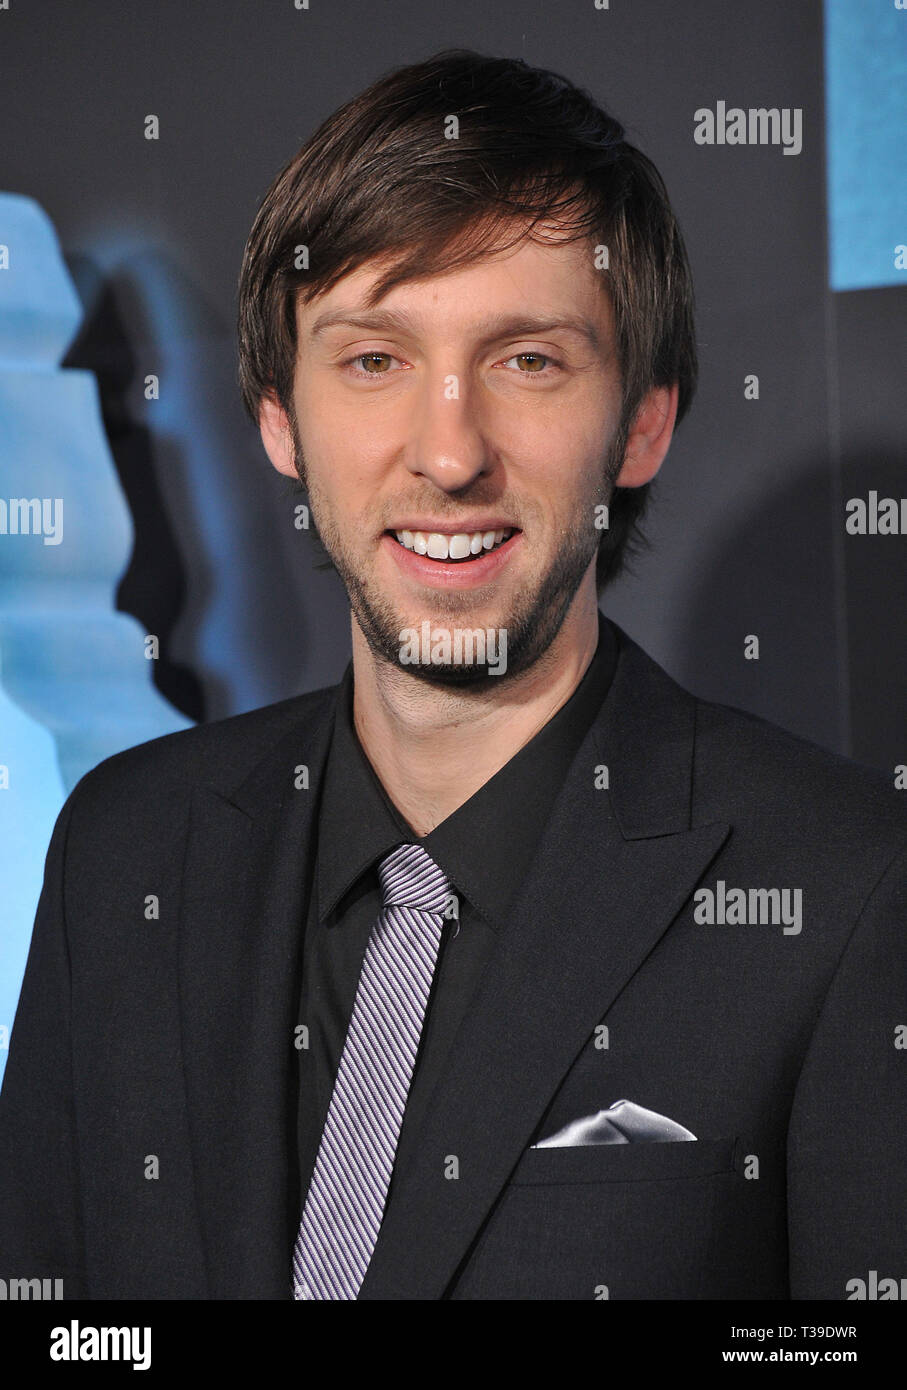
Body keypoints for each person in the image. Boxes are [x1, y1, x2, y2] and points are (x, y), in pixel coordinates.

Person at [1, 48, 905, 1302]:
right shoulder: (123, 852)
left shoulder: (851, 887)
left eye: (527, 360)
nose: (447, 451)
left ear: (641, 421)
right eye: (372, 359)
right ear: (279, 420)